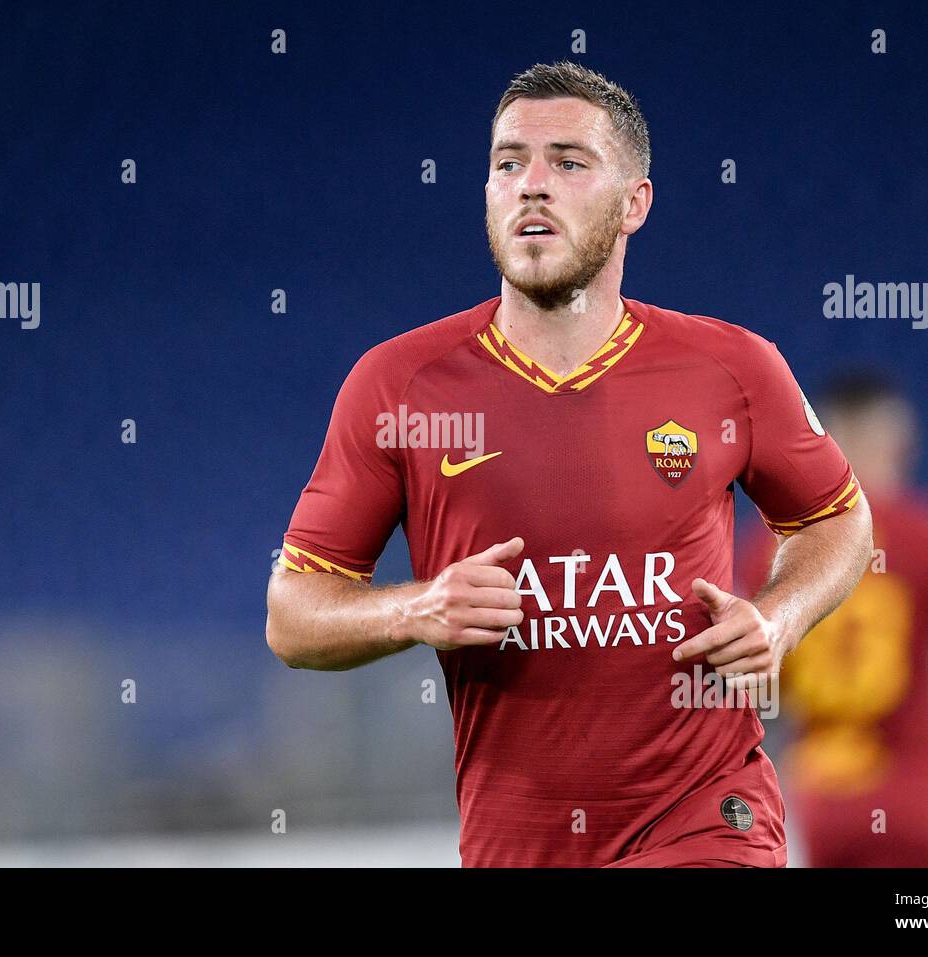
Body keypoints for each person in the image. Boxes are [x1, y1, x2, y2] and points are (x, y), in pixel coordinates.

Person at [266, 61, 873, 867]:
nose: (532, 186)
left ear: (635, 204)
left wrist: (778, 617)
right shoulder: (399, 384)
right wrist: (413, 609)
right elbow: (291, 614)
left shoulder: (732, 368)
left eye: (569, 162)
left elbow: (839, 517)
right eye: (509, 162)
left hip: (704, 815)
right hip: (515, 843)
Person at [735, 370, 928, 867]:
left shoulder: (767, 546)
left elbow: (747, 679)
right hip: (916, 794)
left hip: (825, 794)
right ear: (900, 442)